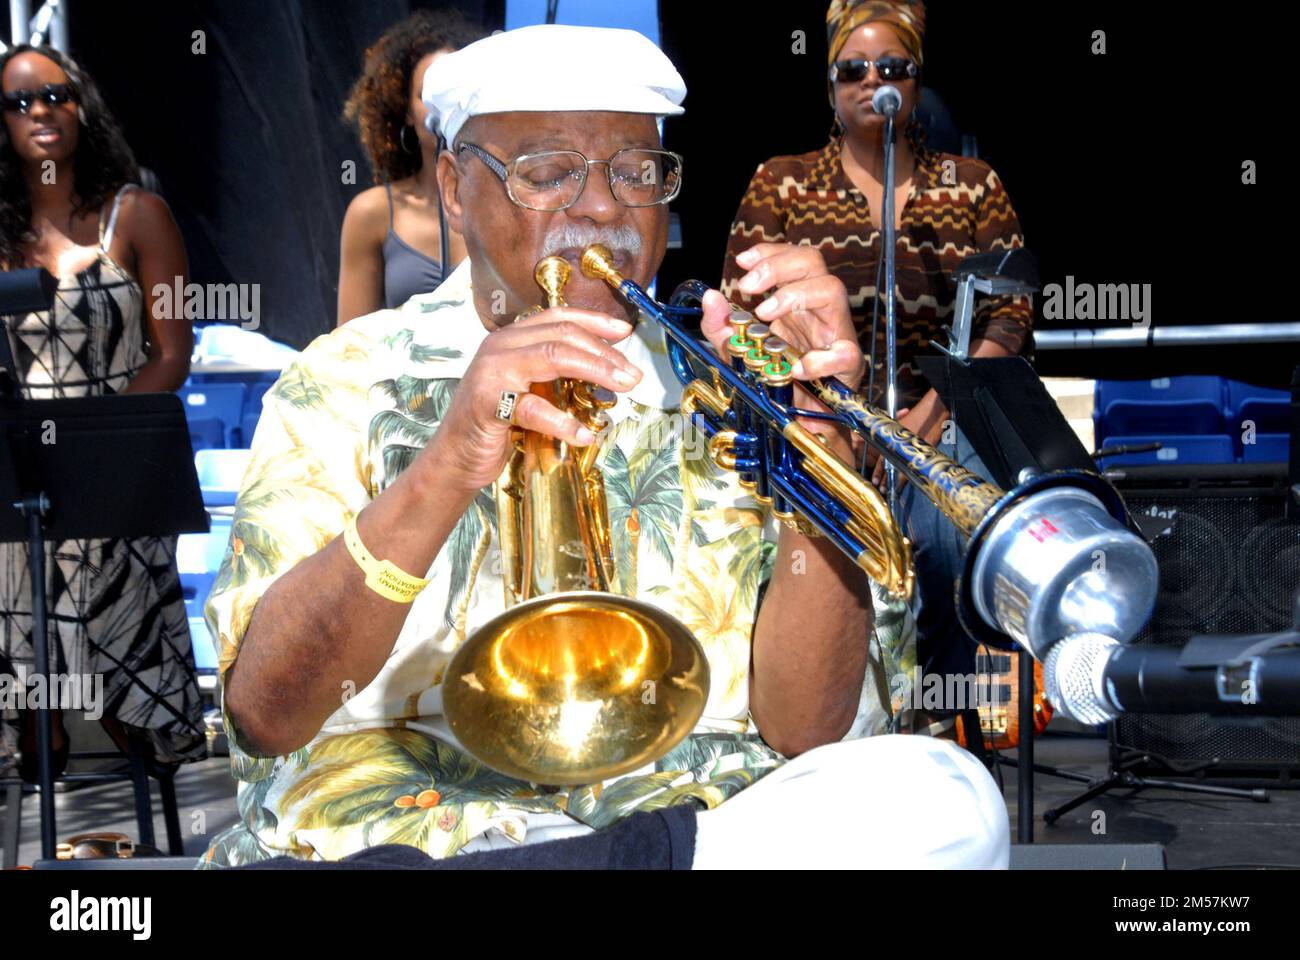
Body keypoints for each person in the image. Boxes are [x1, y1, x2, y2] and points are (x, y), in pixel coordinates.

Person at [200, 24, 1007, 869]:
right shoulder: (341, 381)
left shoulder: (736, 374)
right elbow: (267, 714)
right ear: (451, 186)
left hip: (701, 816)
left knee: (948, 797)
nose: (601, 208)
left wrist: (816, 441)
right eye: (547, 174)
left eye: (636, 173)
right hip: (418, 825)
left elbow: (807, 728)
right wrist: (441, 470)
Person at [720, 0, 1034, 748]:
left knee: (953, 522)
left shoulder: (972, 185)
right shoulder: (784, 182)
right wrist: (825, 420)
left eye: (892, 68)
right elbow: (736, 315)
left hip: (940, 418)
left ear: (916, 83)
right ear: (830, 87)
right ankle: (834, 724)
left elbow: (1011, 317)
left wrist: (918, 429)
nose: (872, 82)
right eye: (852, 70)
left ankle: (940, 715)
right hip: (815, 419)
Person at [0, 45, 204, 780]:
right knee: (16, 551)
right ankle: (40, 728)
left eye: (54, 94)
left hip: (119, 464)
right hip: (23, 471)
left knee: (136, 716)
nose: (40, 113)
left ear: (80, 104)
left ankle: (137, 729)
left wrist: (97, 450)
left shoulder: (138, 213)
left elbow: (172, 351)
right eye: (18, 103)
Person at [336, 9, 482, 325]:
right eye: (427, 94)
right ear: (406, 112)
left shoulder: (508, 205)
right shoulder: (372, 213)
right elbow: (348, 349)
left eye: (454, 93)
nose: (442, 106)